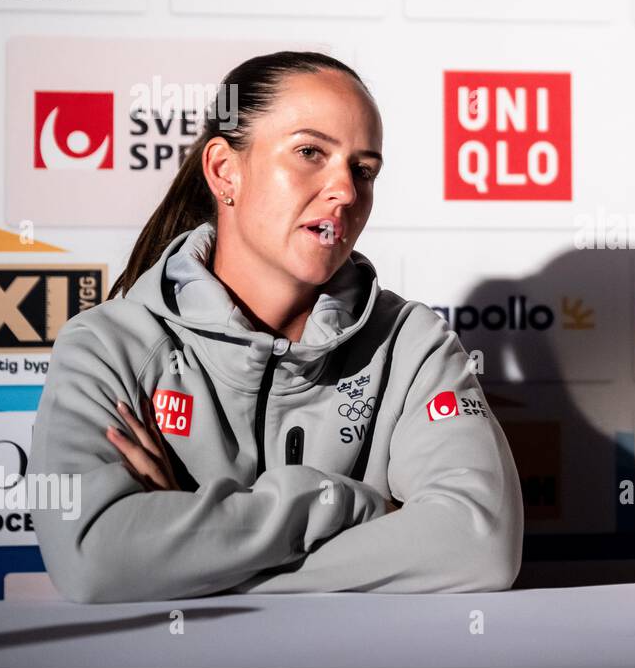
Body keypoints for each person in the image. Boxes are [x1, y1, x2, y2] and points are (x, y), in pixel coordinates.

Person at [29, 51, 524, 602]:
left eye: (363, 170)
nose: (346, 191)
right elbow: (97, 559)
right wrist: (353, 505)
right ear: (224, 171)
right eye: (310, 152)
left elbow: (479, 546)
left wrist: (187, 557)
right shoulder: (107, 346)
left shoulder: (413, 345)